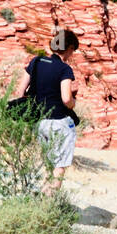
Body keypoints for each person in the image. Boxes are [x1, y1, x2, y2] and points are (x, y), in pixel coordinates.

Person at [12, 28, 80, 195]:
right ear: (69, 48)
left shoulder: (36, 62)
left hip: (39, 122)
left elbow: (19, 92)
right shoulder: (65, 70)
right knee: (60, 165)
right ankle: (49, 201)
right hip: (58, 122)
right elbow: (66, 99)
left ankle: (44, 195)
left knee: (48, 163)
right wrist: (73, 103)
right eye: (72, 50)